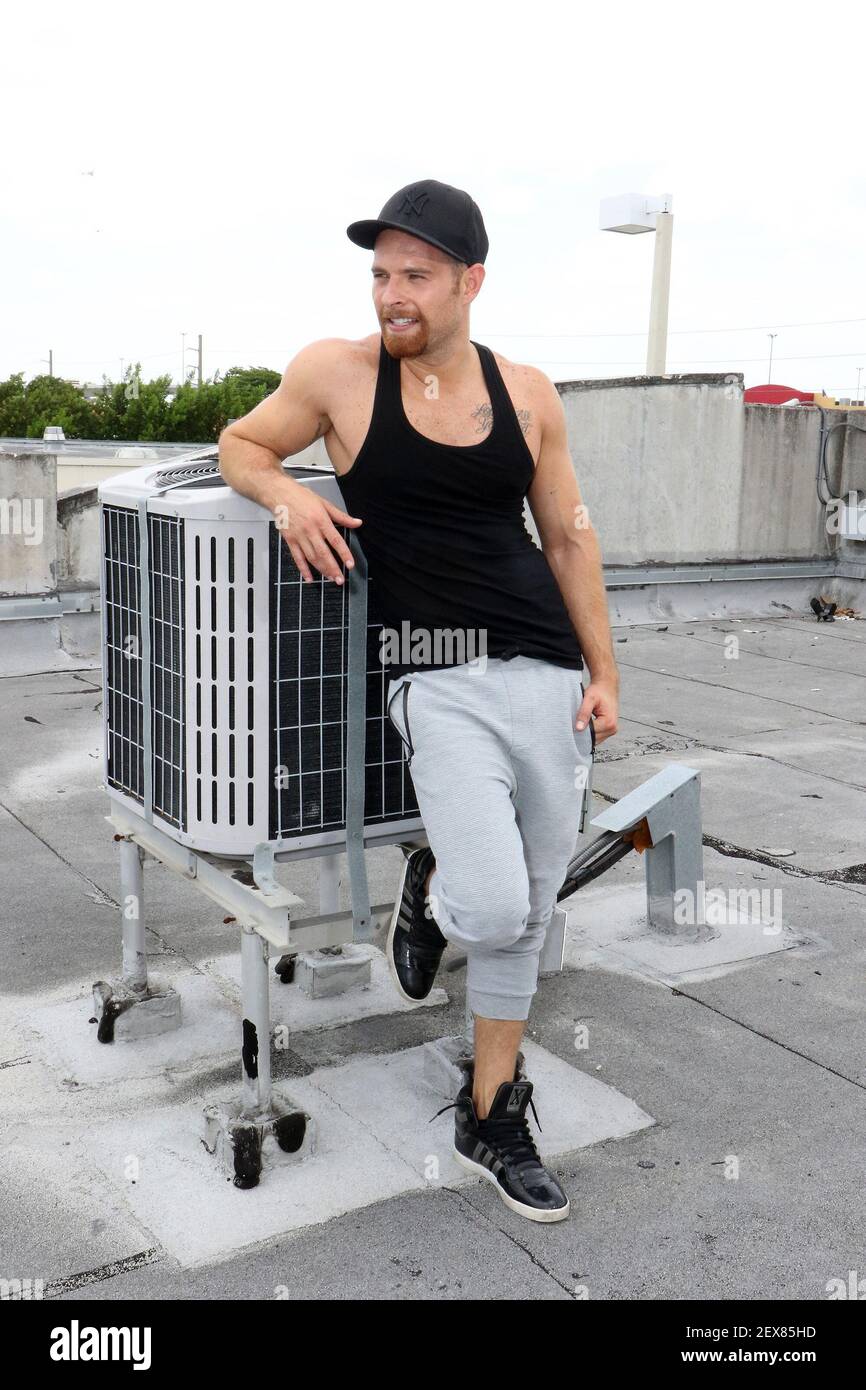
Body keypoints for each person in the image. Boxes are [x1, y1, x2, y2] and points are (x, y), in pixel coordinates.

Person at [219, 178, 620, 1222]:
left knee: (528, 915)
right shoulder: (336, 375)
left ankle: (491, 1110)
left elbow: (568, 536)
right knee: (491, 908)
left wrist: (604, 674)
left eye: (414, 276)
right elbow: (240, 443)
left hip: (542, 665)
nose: (391, 296)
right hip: (430, 671)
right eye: (380, 275)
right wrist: (289, 491)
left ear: (468, 280)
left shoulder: (527, 392)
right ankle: (436, 878)